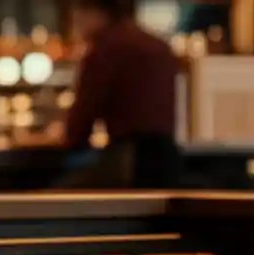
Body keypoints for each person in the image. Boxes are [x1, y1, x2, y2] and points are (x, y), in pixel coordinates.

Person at [56, 0, 181, 189]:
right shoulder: (159, 47)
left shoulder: (105, 49)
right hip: (168, 162)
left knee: (53, 200)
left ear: (93, 13)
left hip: (129, 163)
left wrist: (66, 140)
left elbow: (82, 120)